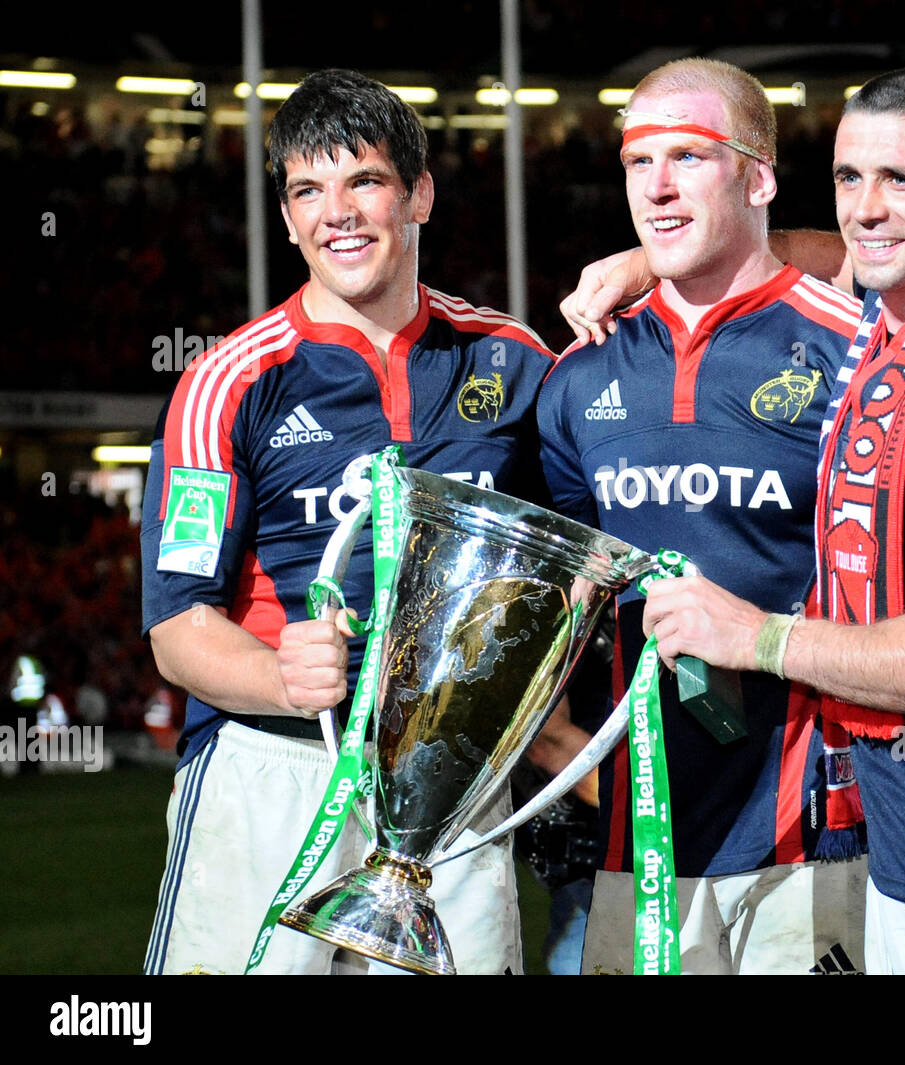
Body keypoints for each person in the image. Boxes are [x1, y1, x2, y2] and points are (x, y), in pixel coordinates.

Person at [541, 60, 905, 974]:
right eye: (639, 160)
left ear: (759, 177)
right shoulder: (580, 373)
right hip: (665, 848)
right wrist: (651, 257)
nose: (658, 185)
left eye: (690, 157)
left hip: (860, 844)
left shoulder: (883, 338)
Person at [140, 69, 554, 974]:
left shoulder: (516, 364)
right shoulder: (227, 382)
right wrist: (284, 675)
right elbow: (177, 628)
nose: (339, 214)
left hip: (449, 785)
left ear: (419, 196)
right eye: (307, 191)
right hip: (271, 767)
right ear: (287, 219)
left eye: (364, 181)